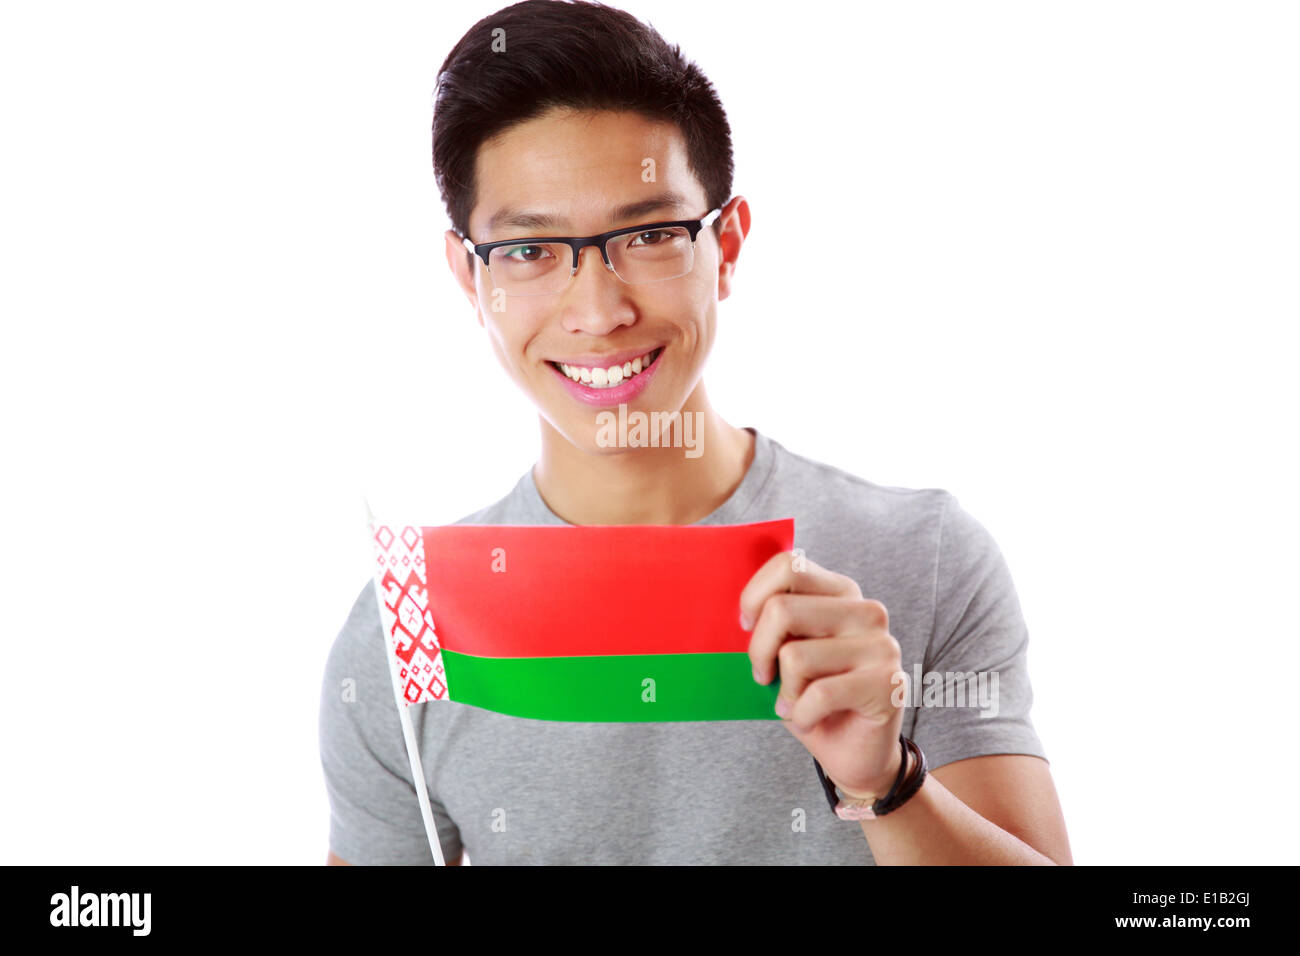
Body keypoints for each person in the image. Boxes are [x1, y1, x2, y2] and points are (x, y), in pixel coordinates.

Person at [318, 0, 1071, 865]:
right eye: (529, 252)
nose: (599, 312)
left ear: (729, 244)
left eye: (649, 235)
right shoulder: (407, 620)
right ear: (468, 276)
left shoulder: (923, 553)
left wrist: (885, 781)